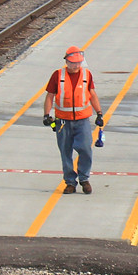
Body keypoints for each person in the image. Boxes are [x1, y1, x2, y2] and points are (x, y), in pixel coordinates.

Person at [42, 45, 104, 195]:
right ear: (66, 61)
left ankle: (84, 178)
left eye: (78, 63)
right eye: (72, 63)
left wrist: (99, 113)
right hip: (63, 122)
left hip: (82, 121)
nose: (76, 65)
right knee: (65, 152)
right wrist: (46, 115)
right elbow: (50, 96)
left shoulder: (87, 75)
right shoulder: (57, 75)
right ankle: (70, 182)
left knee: (85, 149)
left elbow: (92, 94)